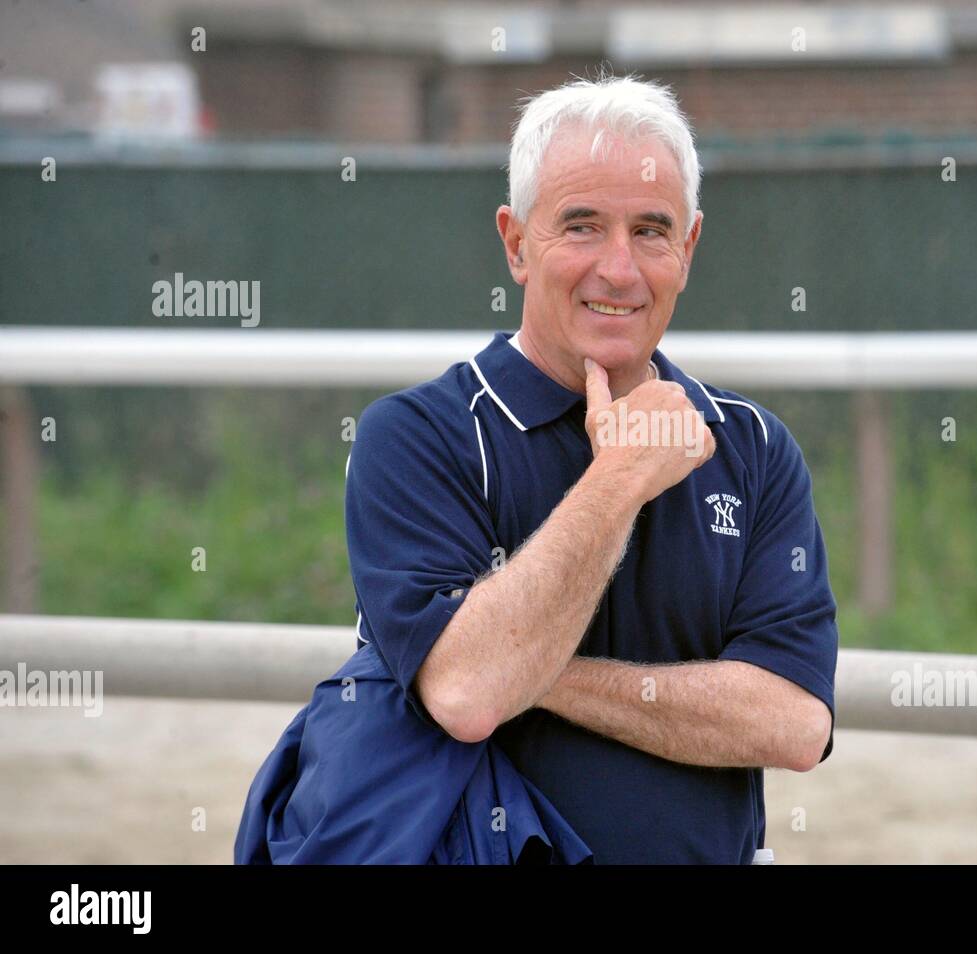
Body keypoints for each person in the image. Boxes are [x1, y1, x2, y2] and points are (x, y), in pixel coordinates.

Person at [240, 71, 839, 865]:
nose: (619, 269)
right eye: (582, 226)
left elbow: (794, 722)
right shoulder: (417, 436)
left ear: (689, 248)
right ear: (517, 243)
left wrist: (537, 671)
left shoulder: (754, 447)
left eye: (652, 231)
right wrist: (619, 477)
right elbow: (467, 695)